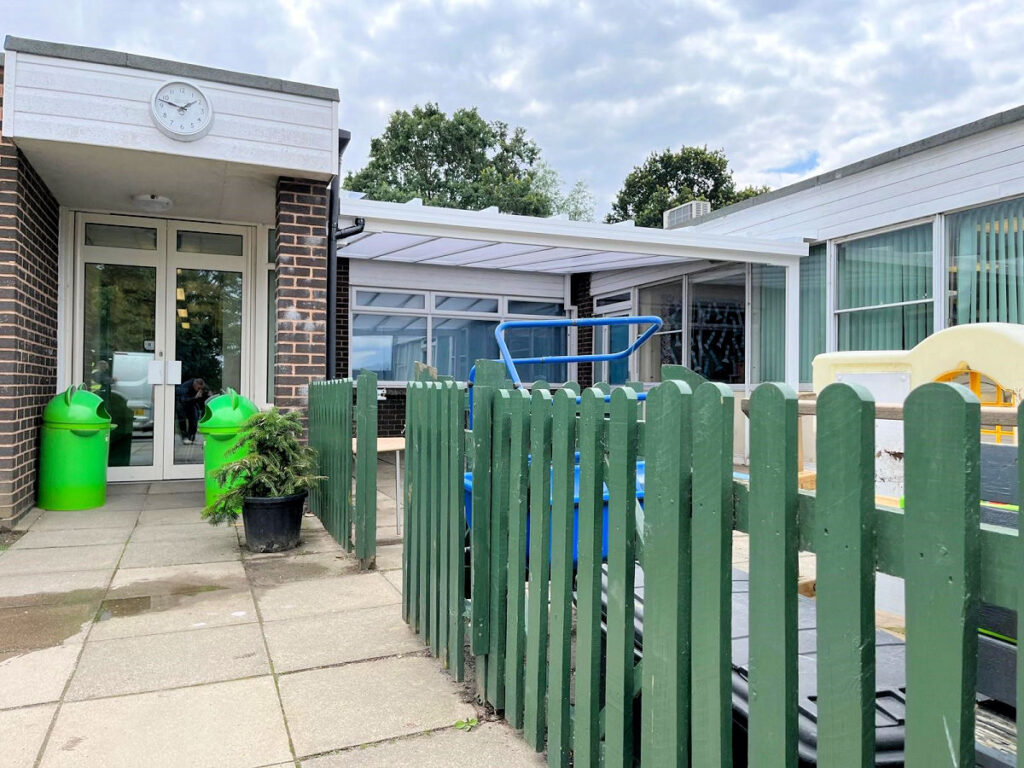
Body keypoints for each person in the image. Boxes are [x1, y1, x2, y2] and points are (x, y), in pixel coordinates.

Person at [175, 377, 209, 444]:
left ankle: (191, 437)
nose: (199, 390)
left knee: (194, 419)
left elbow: (203, 399)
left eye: (201, 388)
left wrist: (203, 396)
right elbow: (183, 400)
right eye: (198, 388)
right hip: (182, 403)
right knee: (182, 420)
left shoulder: (200, 389)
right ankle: (185, 438)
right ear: (195, 384)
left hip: (191, 403)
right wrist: (195, 397)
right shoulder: (186, 387)